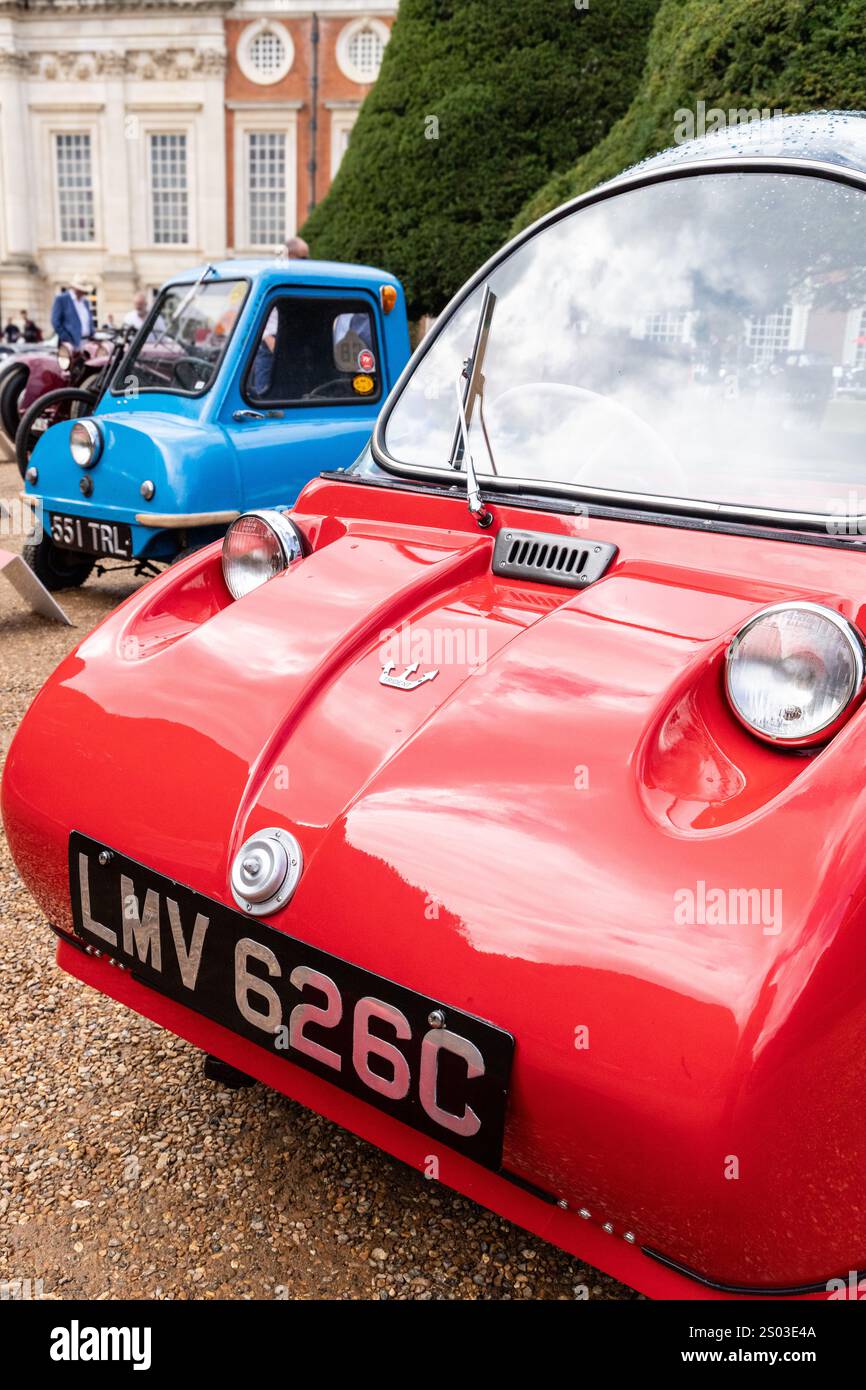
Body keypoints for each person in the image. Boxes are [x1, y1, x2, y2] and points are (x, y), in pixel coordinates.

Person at [251, 235, 310, 395]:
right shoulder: (276, 281)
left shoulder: (301, 282)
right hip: (273, 347)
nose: (307, 262)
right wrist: (284, 355)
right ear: (290, 256)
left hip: (293, 345)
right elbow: (267, 332)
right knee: (264, 394)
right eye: (303, 258)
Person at [51, 280, 94, 347]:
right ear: (75, 288)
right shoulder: (61, 299)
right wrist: (67, 338)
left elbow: (89, 320)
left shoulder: (86, 302)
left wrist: (92, 333)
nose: (84, 292)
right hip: (70, 344)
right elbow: (55, 321)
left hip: (87, 342)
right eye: (82, 290)